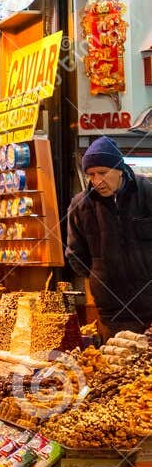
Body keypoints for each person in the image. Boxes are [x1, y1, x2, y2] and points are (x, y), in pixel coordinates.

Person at [66, 136, 152, 337]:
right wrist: (100, 276)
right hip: (113, 312)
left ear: (119, 169)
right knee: (120, 367)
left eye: (103, 173)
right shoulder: (80, 206)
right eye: (91, 175)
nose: (97, 181)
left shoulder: (148, 192)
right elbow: (75, 255)